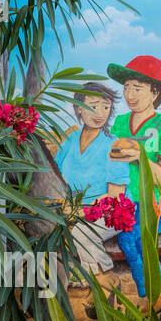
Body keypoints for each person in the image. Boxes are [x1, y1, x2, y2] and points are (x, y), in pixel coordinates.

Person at [106, 55, 161, 306]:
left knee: (128, 239)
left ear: (155, 92)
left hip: (159, 199)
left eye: (137, 88)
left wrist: (140, 156)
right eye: (126, 87)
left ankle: (153, 289)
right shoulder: (118, 123)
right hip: (124, 198)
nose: (129, 94)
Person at [53, 82, 127, 277]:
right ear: (79, 107)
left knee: (81, 233)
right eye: (93, 106)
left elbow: (115, 196)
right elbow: (54, 177)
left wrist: (80, 211)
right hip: (70, 209)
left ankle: (103, 278)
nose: (100, 113)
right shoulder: (69, 140)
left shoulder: (114, 145)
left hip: (111, 211)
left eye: (106, 106)